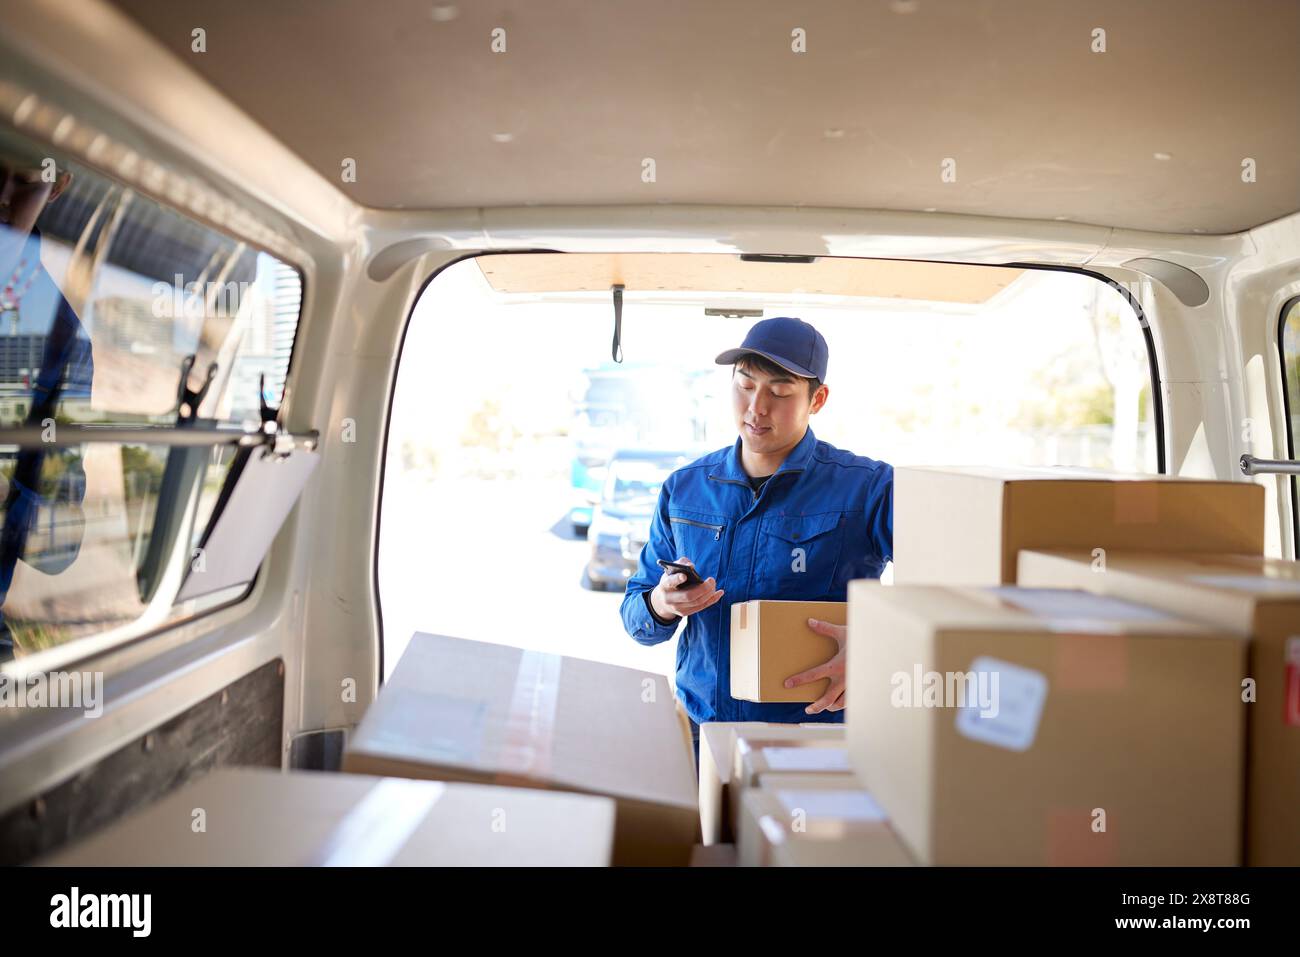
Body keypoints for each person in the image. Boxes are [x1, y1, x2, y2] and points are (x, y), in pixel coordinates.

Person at [619, 316, 892, 765]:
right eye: (745, 385)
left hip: (817, 742)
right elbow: (635, 614)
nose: (756, 407)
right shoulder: (683, 489)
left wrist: (877, 641)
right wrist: (663, 604)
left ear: (817, 399)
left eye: (780, 393)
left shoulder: (868, 488)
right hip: (703, 735)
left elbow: (948, 589)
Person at [0, 152, 92, 661]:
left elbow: (59, 547)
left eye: (27, 182)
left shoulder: (64, 342)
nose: (2, 196)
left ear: (58, 187)